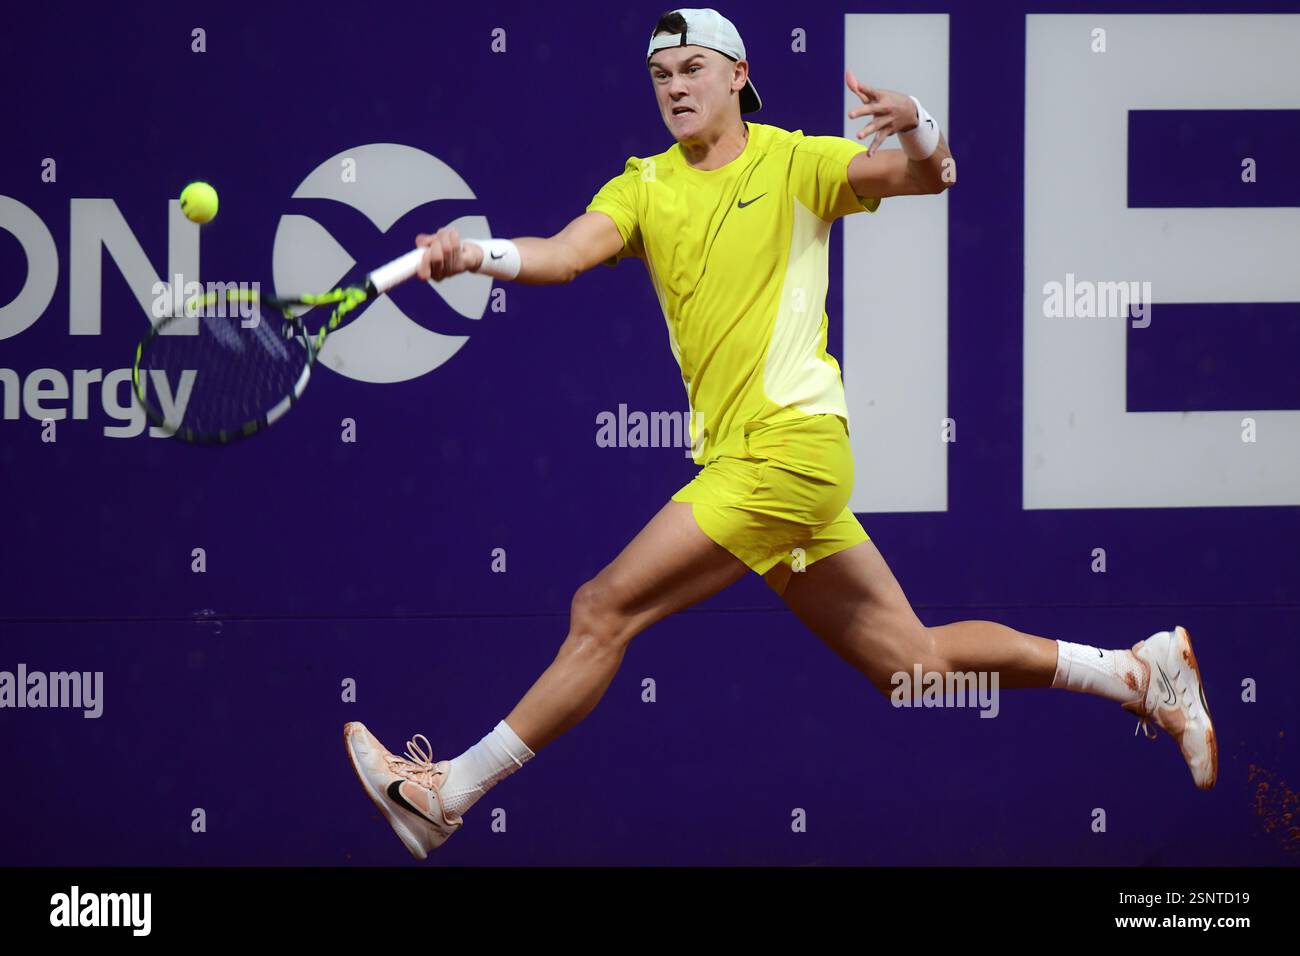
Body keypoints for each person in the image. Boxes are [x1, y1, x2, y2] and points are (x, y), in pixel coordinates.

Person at [343, 7, 1217, 860]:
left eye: (692, 71)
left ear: (738, 76)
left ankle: (445, 795)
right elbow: (564, 254)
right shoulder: (643, 186)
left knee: (601, 609)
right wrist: (477, 253)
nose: (675, 89)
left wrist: (920, 125)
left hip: (787, 451)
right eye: (660, 76)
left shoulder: (799, 163)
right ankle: (1137, 674)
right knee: (910, 666)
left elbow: (930, 176)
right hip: (762, 466)